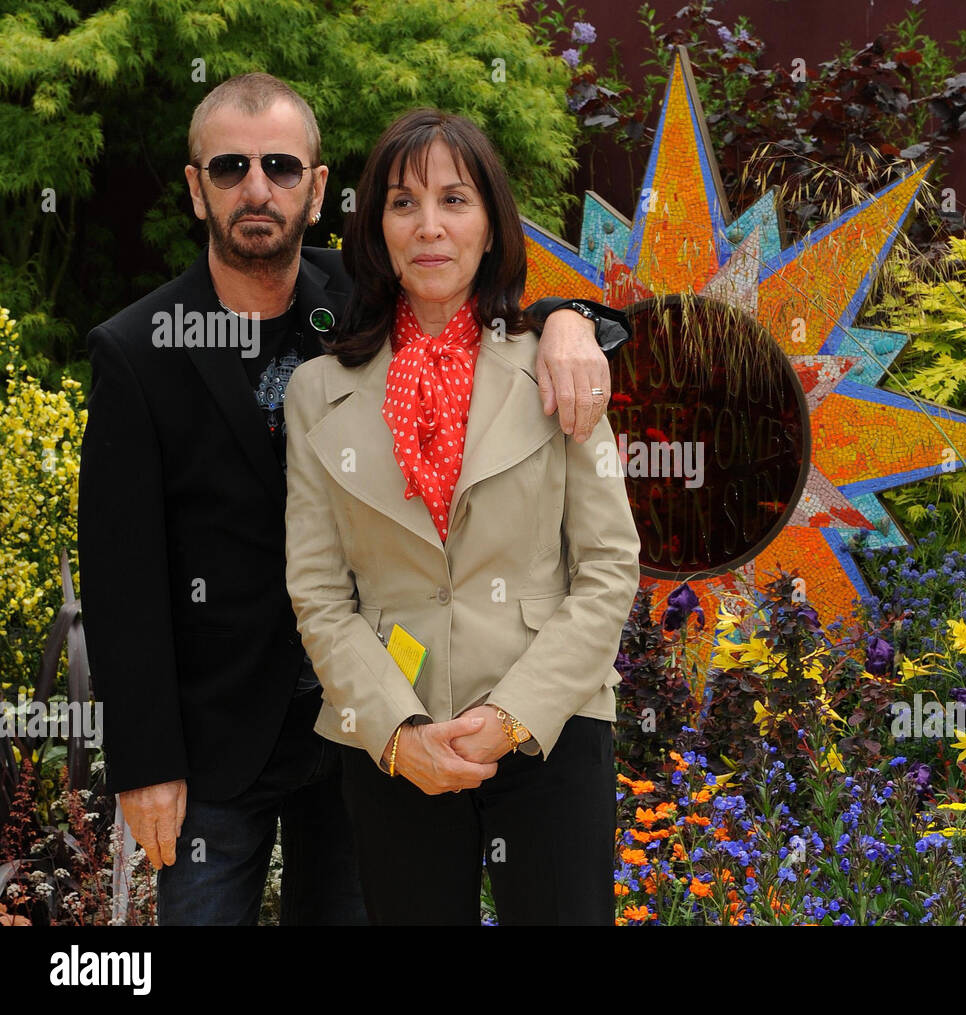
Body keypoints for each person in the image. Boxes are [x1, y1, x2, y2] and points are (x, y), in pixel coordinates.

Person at [77, 73, 630, 926]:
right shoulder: (136, 350)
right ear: (197, 188)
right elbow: (120, 579)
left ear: (318, 188)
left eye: (281, 167)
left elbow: (480, 304)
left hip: (358, 736)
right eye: (229, 167)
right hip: (227, 736)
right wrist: (145, 760)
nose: (257, 188)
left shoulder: (358, 298)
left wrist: (574, 321)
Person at [283, 107, 641, 926]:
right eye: (404, 203)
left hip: (550, 725)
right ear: (376, 229)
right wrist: (396, 730)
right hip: (395, 737)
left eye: (456, 199)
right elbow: (318, 592)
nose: (430, 226)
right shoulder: (318, 394)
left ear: (491, 225)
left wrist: (514, 713)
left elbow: (608, 565)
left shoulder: (562, 364)